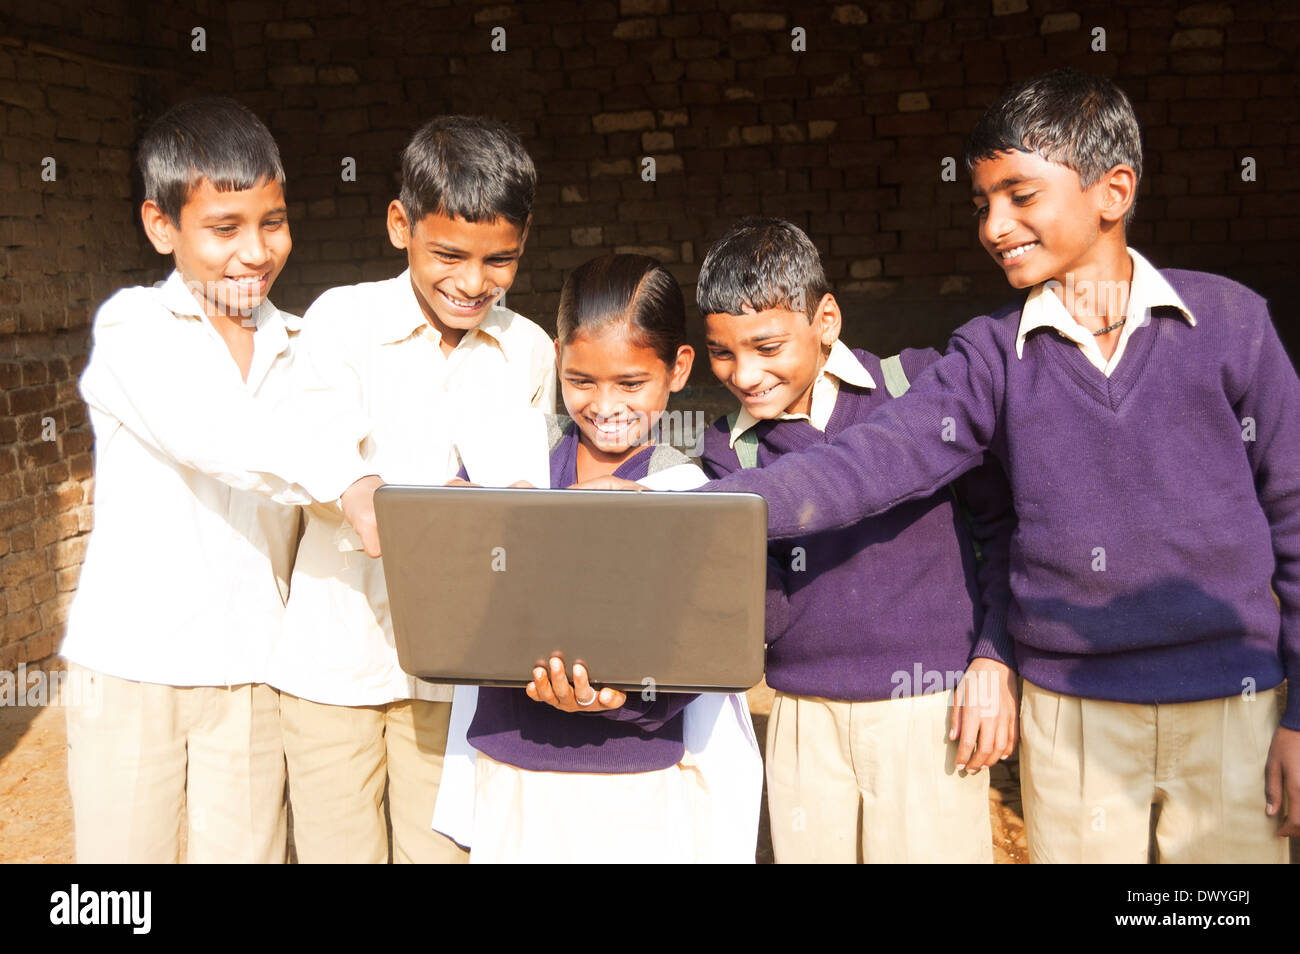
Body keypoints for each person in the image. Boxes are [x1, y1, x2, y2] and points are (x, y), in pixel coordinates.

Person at [678, 70, 1299, 862]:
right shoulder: (989, 356)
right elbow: (870, 462)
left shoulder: (1232, 324)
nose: (993, 225)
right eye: (982, 203)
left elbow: (1295, 512)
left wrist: (1299, 714)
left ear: (1113, 191)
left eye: (1019, 195)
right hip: (1069, 710)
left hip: (1234, 701)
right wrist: (701, 510)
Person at [64, 97, 372, 863]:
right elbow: (218, 434)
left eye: (272, 222)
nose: (255, 252)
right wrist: (349, 484)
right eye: (224, 229)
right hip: (134, 664)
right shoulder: (133, 327)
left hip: (255, 675)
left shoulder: (307, 348)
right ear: (161, 226)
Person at [266, 115, 557, 863]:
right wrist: (368, 492)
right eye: (449, 254)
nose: (472, 282)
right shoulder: (342, 320)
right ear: (401, 224)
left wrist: (493, 511)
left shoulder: (526, 349)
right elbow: (313, 445)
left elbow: (522, 501)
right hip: (335, 664)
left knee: (442, 852)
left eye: (501, 261)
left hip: (455, 675)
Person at [694, 217, 1016, 863]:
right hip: (802, 718)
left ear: (827, 321)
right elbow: (761, 602)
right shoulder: (726, 451)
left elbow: (1003, 528)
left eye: (767, 346)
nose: (745, 374)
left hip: (930, 707)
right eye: (723, 352)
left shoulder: (918, 390)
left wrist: (995, 657)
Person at [445, 254, 762, 863]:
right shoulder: (507, 456)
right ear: (559, 356)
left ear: (677, 369)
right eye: (581, 381)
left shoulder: (688, 489)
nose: (605, 405)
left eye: (631, 384)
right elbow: (456, 591)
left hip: (636, 778)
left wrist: (617, 699)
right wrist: (481, 528)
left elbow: (697, 656)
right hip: (515, 763)